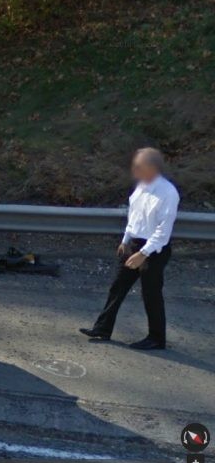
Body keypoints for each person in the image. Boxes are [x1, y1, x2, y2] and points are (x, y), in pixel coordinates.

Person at [80, 147, 178, 350]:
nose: (134, 169)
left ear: (151, 167)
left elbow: (163, 231)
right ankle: (102, 328)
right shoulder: (141, 186)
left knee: (151, 293)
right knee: (118, 286)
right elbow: (135, 215)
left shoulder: (168, 193)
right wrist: (126, 239)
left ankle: (157, 338)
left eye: (138, 166)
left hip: (154, 249)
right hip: (134, 244)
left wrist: (143, 254)